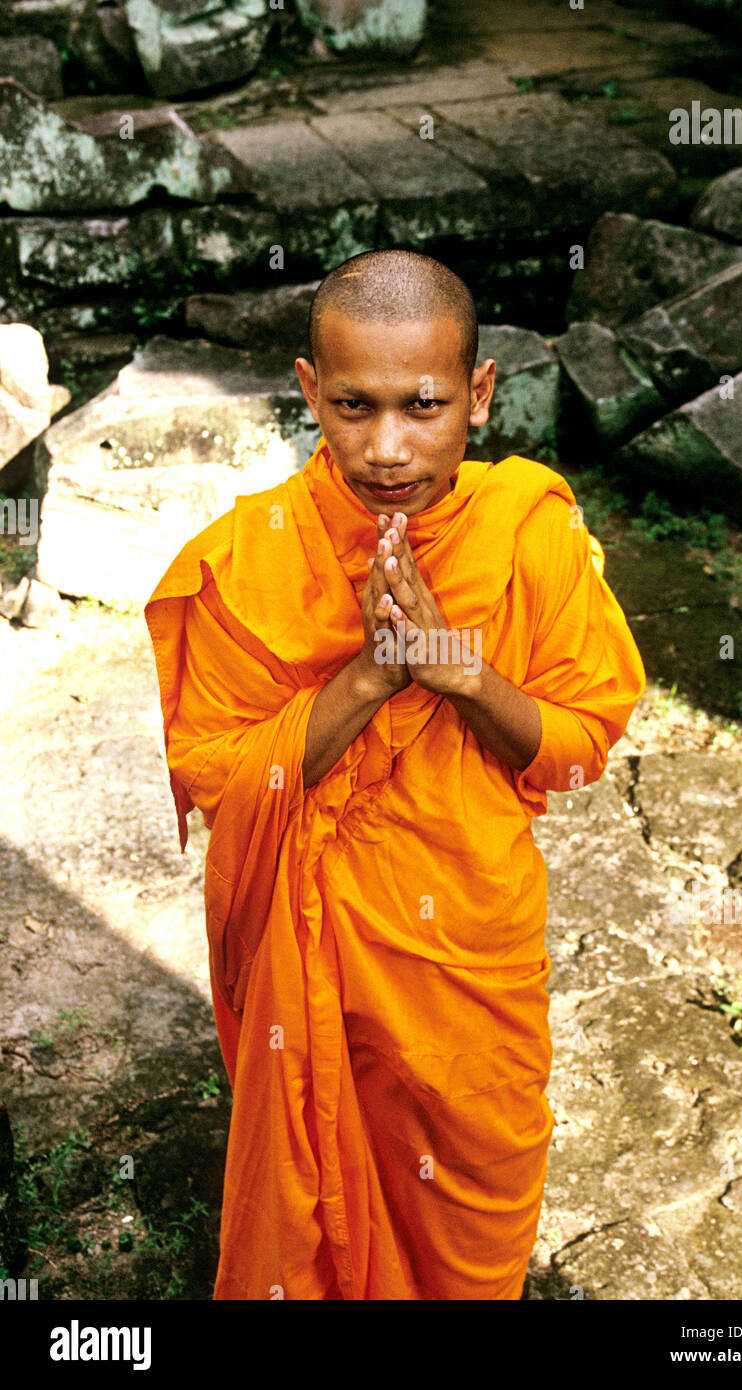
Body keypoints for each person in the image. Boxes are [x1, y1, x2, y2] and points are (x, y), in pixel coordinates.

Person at [144, 248, 646, 1300]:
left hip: (468, 940)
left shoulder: (528, 536)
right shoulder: (246, 562)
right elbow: (223, 781)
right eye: (351, 406)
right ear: (306, 390)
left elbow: (577, 739)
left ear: (480, 392)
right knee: (313, 1192)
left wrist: (457, 671)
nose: (387, 447)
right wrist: (372, 674)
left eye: (423, 405)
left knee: (474, 1188)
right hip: (315, 945)